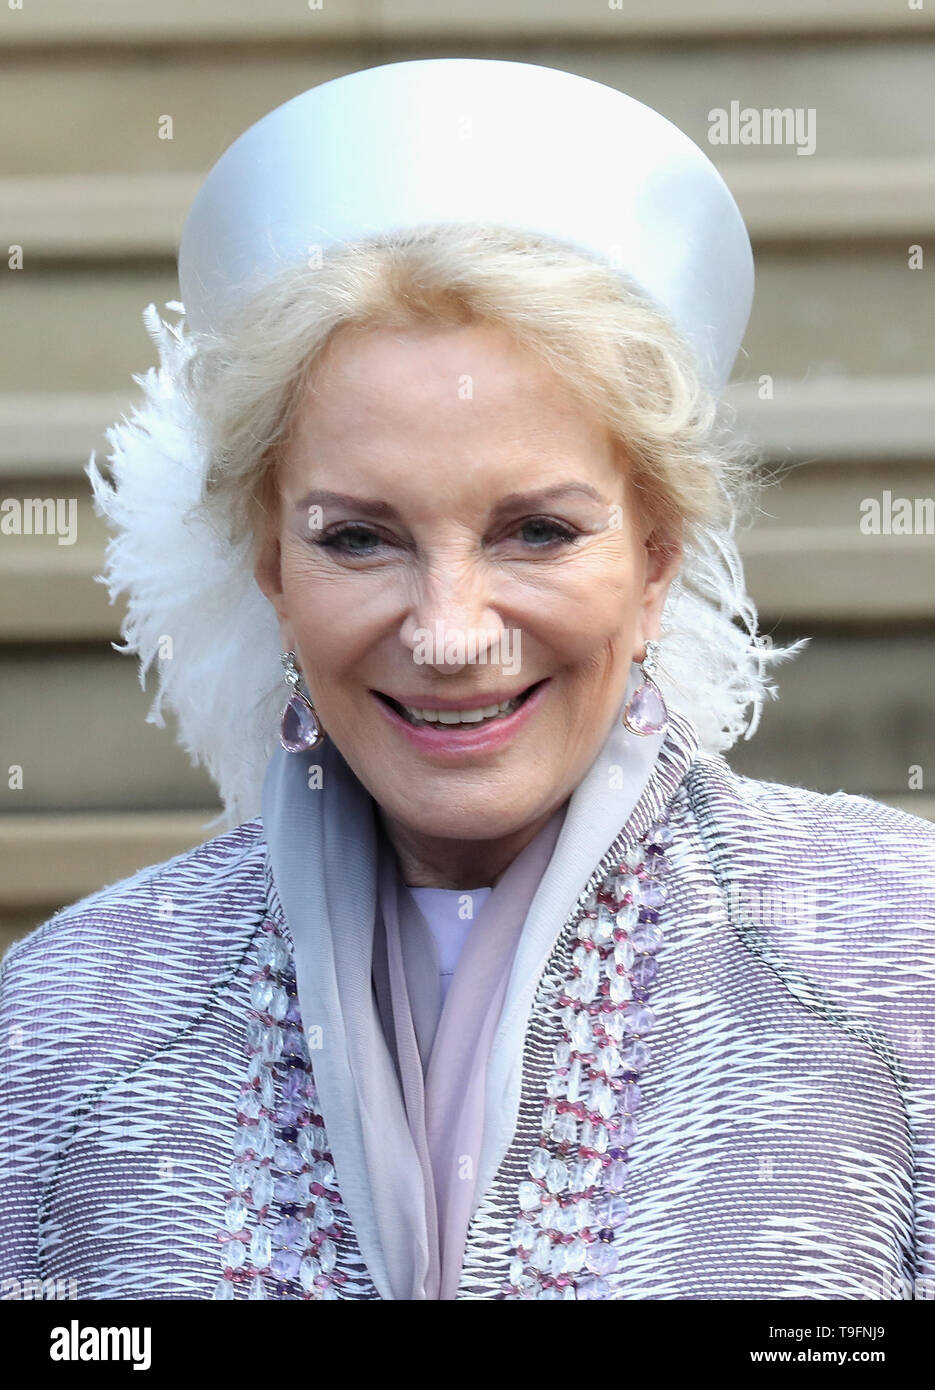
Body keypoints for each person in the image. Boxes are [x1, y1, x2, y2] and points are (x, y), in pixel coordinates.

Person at [1, 59, 932, 1303]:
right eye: (356, 537)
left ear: (656, 561)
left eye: (536, 532)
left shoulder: (893, 962)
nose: (448, 635)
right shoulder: (60, 1026)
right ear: (267, 564)